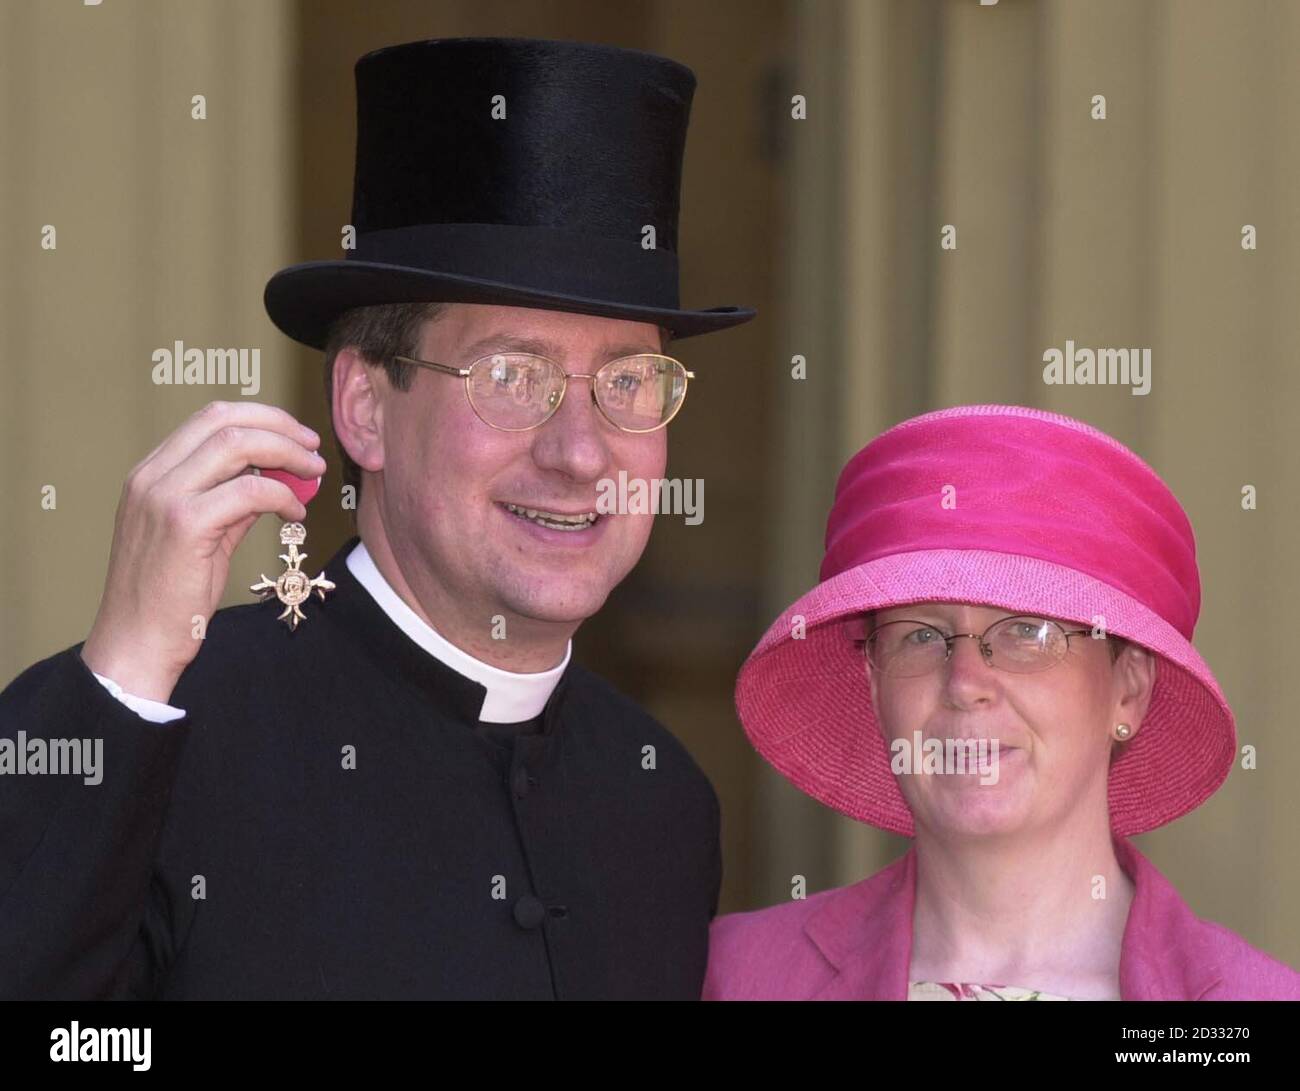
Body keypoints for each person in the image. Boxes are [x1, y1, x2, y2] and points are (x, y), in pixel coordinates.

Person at [0, 37, 754, 999]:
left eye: (630, 380)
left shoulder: (664, 800)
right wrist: (122, 680)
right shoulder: (168, 733)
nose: (579, 452)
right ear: (364, 405)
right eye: (511, 377)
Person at [704, 404, 1300, 1001]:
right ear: (873, 684)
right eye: (921, 635)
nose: (965, 682)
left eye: (1027, 632)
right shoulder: (736, 977)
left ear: (1129, 688)